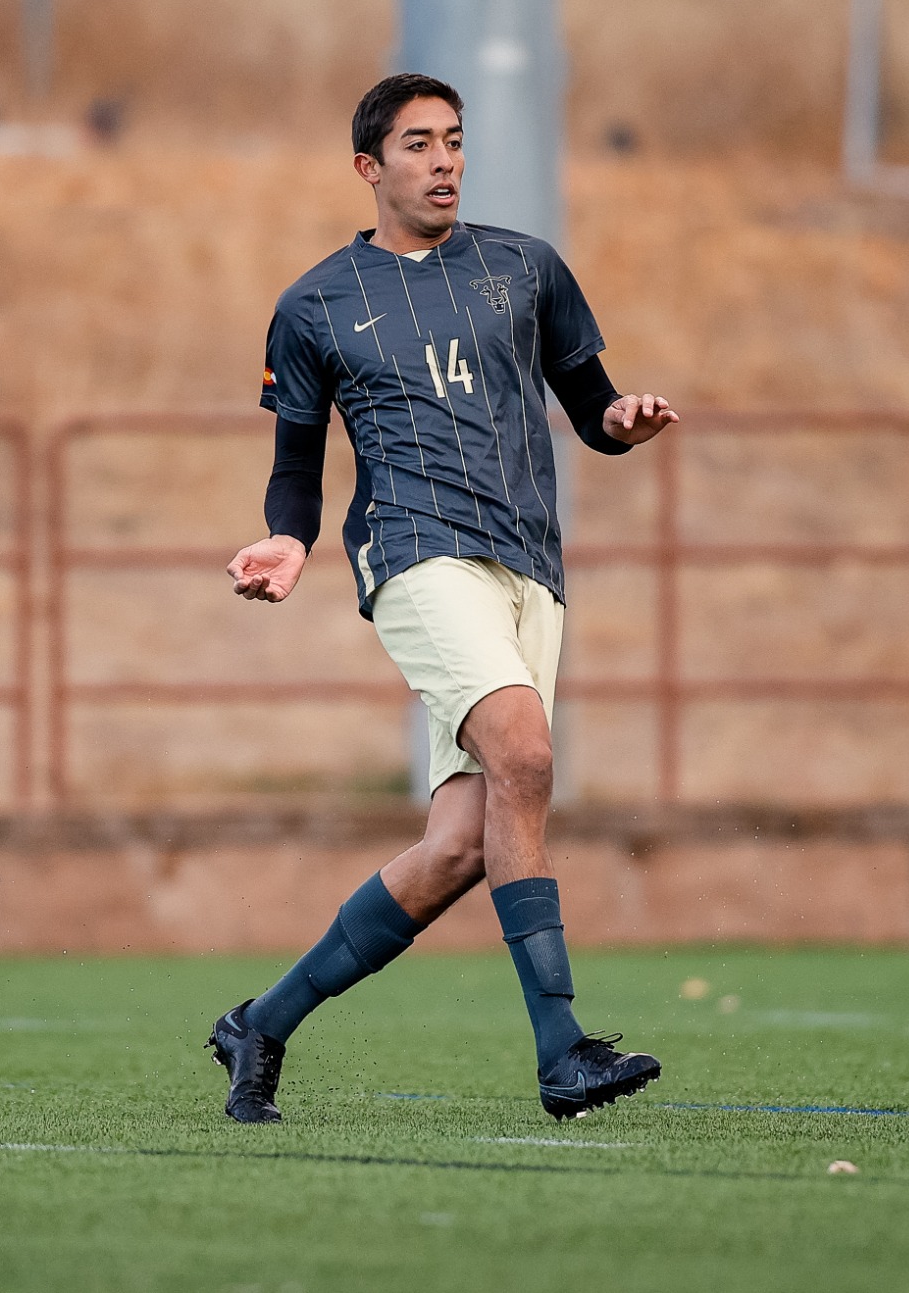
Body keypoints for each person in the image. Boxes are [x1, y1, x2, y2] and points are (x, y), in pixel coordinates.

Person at [205, 73, 676, 1124]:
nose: (444, 161)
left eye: (454, 141)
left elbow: (589, 406)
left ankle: (260, 1024)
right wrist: (289, 538)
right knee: (526, 754)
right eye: (418, 144)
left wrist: (623, 421)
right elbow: (294, 464)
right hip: (415, 558)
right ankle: (562, 1052)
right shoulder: (315, 303)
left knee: (462, 843)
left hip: (526, 566)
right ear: (370, 169)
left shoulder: (524, 267)